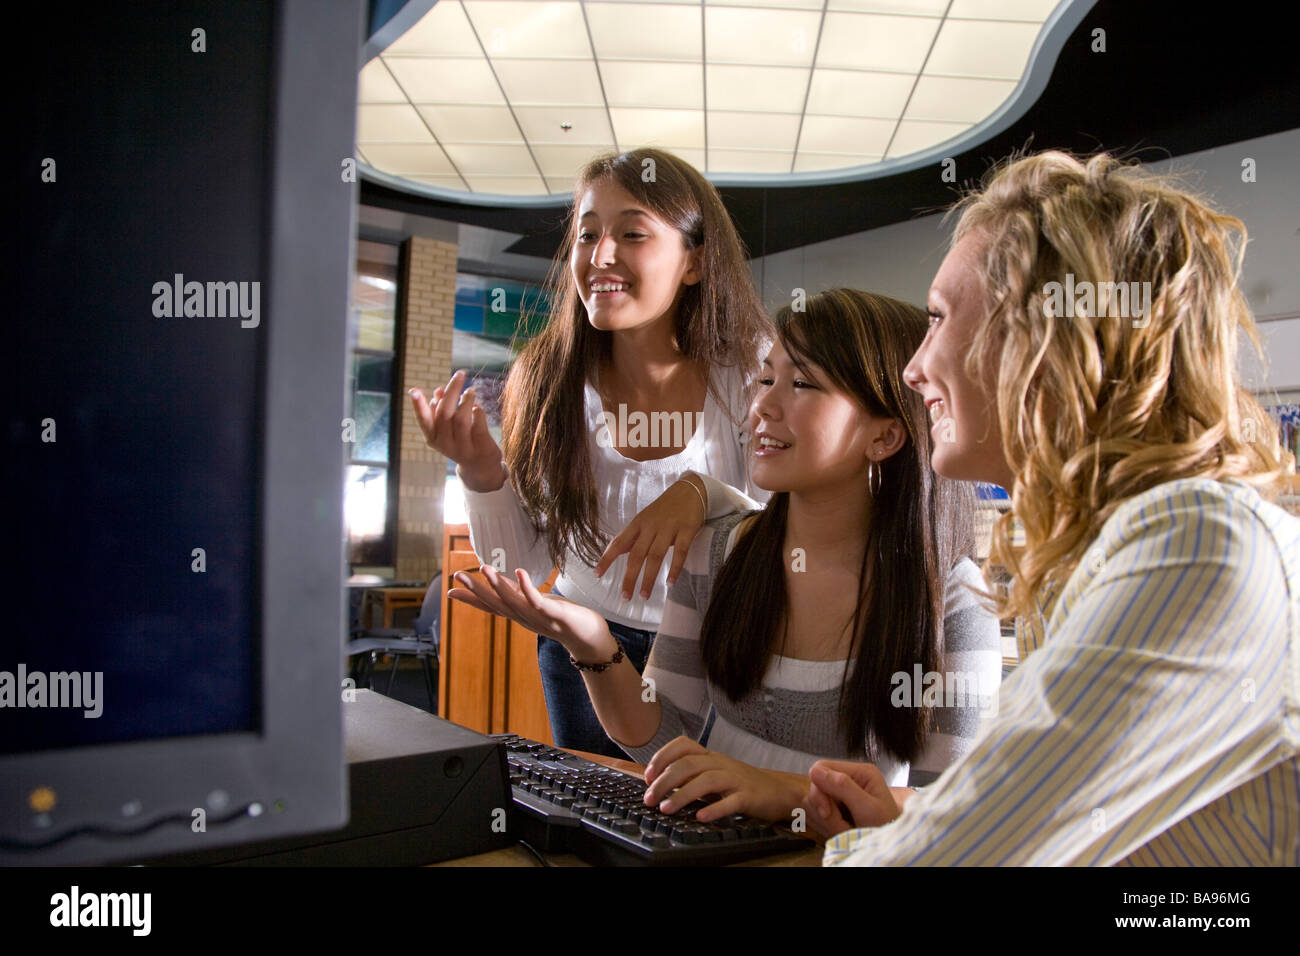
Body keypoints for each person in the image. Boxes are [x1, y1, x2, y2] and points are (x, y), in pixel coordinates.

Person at [811, 150, 1299, 866]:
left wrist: (896, 840)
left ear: (1044, 337)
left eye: (938, 318)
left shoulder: (1196, 538)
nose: (914, 370)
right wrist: (916, 823)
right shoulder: (1118, 547)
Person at [449, 289, 1002, 823]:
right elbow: (664, 736)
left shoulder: (954, 600)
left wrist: (783, 794)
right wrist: (592, 644)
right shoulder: (717, 552)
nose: (762, 405)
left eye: (802, 383)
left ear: (884, 438)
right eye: (766, 379)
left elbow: (953, 812)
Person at [409, 148, 772, 757]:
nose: (601, 255)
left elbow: (787, 525)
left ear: (696, 260)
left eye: (632, 233)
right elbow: (518, 560)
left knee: (713, 830)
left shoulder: (752, 368)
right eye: (587, 234)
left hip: (720, 650)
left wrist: (702, 495)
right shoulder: (546, 376)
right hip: (585, 642)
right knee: (597, 829)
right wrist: (479, 471)